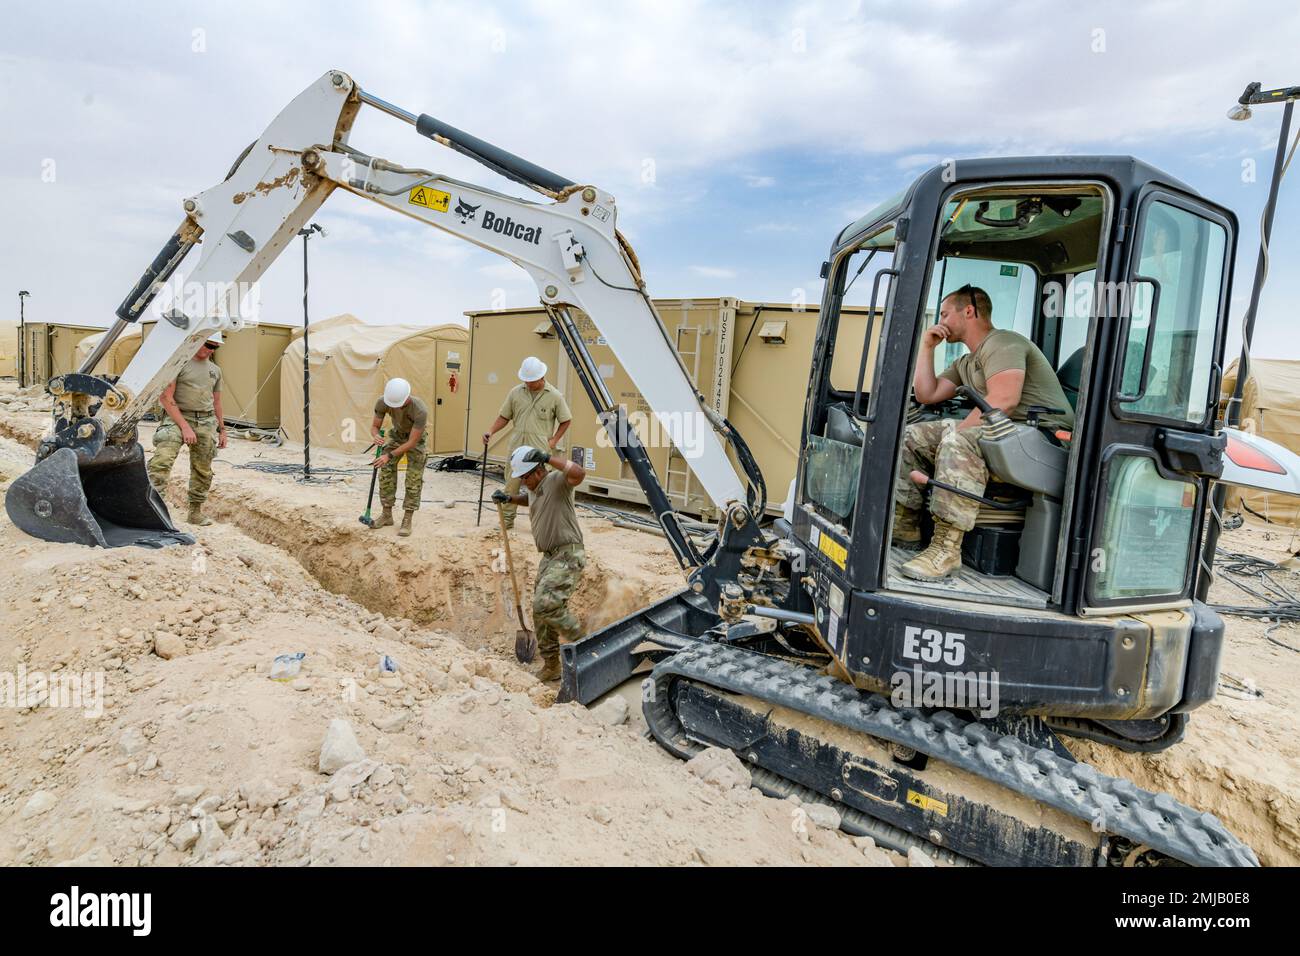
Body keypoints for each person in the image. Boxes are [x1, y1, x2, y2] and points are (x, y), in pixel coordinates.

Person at [895, 284, 1075, 581]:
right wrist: (926, 347)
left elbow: (1003, 401)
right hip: (1006, 433)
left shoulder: (1004, 343)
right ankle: (906, 530)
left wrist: (951, 442)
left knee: (958, 441)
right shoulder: (966, 362)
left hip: (1045, 437)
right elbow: (927, 393)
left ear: (969, 311)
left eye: (944, 313)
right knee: (911, 437)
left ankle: (945, 551)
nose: (940, 320)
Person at [492, 445, 585, 682]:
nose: (523, 483)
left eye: (525, 477)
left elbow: (579, 474)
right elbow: (531, 498)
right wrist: (510, 499)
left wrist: (549, 457)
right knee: (539, 611)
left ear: (537, 471)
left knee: (546, 603)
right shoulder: (535, 487)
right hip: (549, 557)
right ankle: (552, 665)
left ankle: (585, 643)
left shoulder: (556, 480)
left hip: (568, 554)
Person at [148, 332, 228, 526]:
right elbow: (166, 398)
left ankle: (195, 512)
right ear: (197, 342)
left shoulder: (215, 370)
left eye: (214, 347)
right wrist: (185, 427)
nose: (210, 350)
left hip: (206, 420)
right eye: (207, 345)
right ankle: (153, 511)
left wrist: (222, 430)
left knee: (203, 469)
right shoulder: (179, 364)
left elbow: (216, 402)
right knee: (162, 461)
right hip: (177, 418)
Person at [482, 356, 571, 530]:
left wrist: (554, 440)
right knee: (511, 482)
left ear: (542, 377)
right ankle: (506, 520)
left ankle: (543, 522)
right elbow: (504, 417)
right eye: (526, 380)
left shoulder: (554, 396)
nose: (528, 384)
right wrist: (491, 431)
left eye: (532, 381)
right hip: (517, 446)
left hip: (538, 448)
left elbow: (566, 420)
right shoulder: (516, 392)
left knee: (541, 487)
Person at [369, 377, 428, 537]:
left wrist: (389, 455)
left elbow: (412, 442)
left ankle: (407, 518)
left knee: (413, 479)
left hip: (415, 441)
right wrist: (375, 436)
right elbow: (375, 426)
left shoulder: (420, 410)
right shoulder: (383, 402)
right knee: (385, 471)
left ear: (407, 397)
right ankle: (387, 514)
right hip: (396, 436)